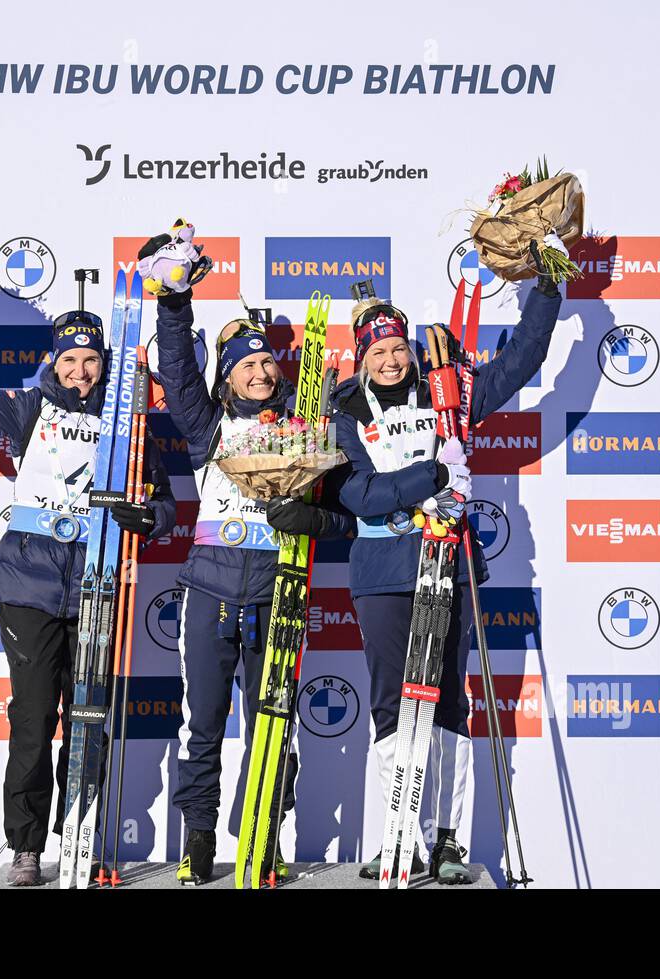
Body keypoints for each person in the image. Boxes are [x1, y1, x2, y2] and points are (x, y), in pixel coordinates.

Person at [0, 303, 176, 886]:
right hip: (29, 587)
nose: (81, 372)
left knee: (88, 718)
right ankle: (26, 847)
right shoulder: (29, 406)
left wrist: (144, 516)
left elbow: (165, 507)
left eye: (92, 361)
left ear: (107, 364)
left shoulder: (132, 424)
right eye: (71, 359)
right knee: (31, 720)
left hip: (99, 586)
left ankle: (79, 837)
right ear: (53, 360)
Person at [332, 239, 565, 885]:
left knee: (447, 706)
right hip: (382, 572)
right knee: (389, 705)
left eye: (396, 348)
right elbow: (357, 493)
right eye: (376, 351)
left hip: (447, 562)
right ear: (361, 357)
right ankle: (397, 838)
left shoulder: (451, 389)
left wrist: (545, 284)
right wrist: (428, 473)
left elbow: (523, 359)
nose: (389, 359)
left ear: (410, 349)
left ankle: (446, 839)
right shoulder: (347, 410)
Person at [140, 227, 354, 885]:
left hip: (277, 590)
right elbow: (176, 370)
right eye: (245, 365)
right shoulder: (209, 428)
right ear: (228, 375)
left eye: (267, 363)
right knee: (201, 727)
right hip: (208, 593)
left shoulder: (305, 429)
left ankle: (266, 832)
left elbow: (342, 521)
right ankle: (198, 839)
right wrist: (175, 301)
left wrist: (306, 515)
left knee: (274, 730)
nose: (261, 372)